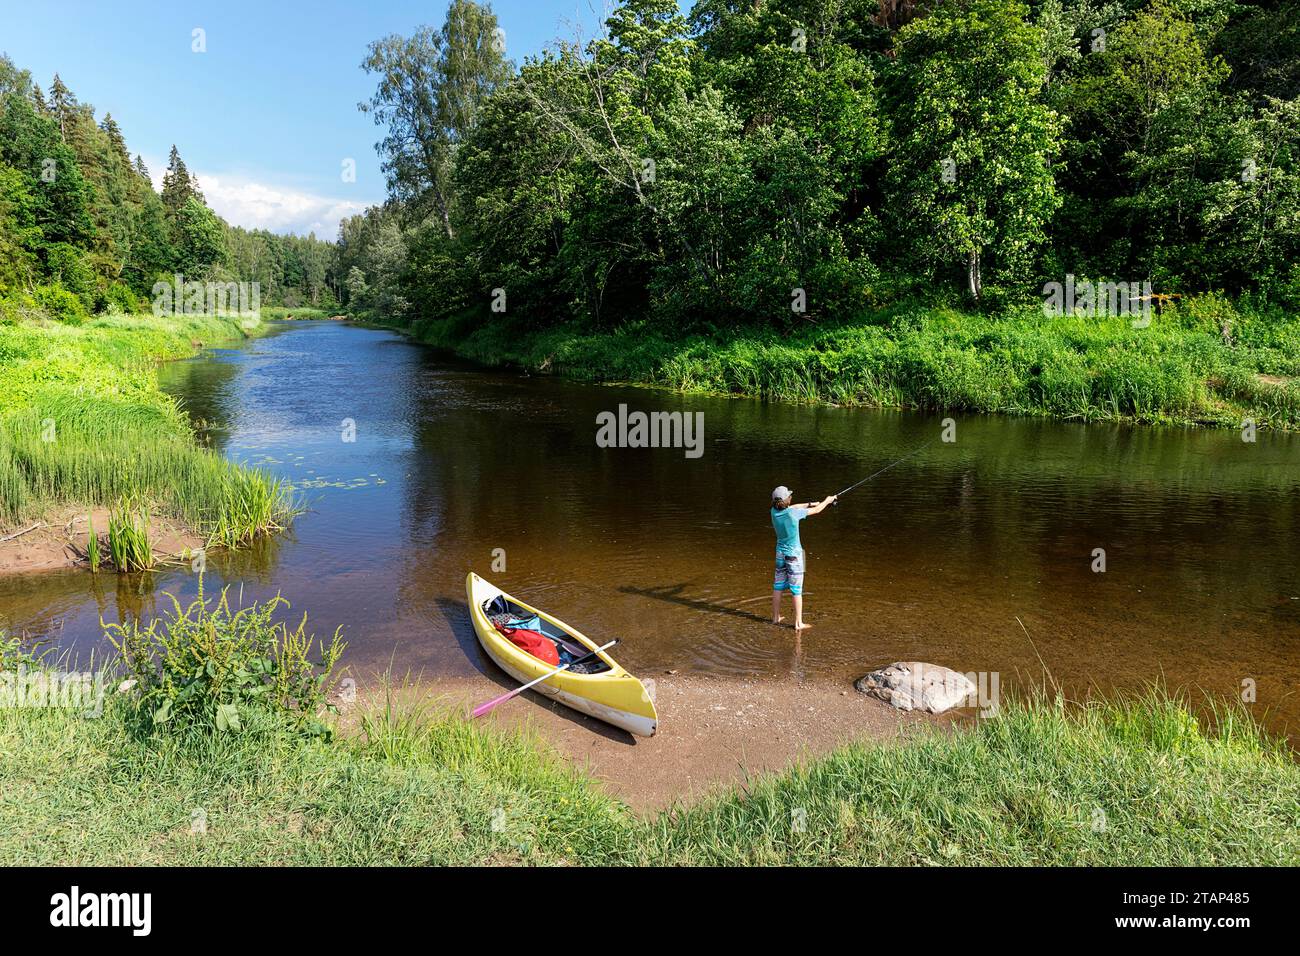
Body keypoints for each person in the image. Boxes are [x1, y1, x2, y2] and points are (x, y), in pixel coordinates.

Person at [770, 486, 836, 630]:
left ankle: (775, 618)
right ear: (787, 500)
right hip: (795, 556)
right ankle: (798, 623)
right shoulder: (794, 514)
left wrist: (810, 503)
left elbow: (794, 507)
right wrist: (827, 500)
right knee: (796, 590)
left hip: (780, 554)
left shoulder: (774, 512)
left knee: (778, 586)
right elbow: (817, 511)